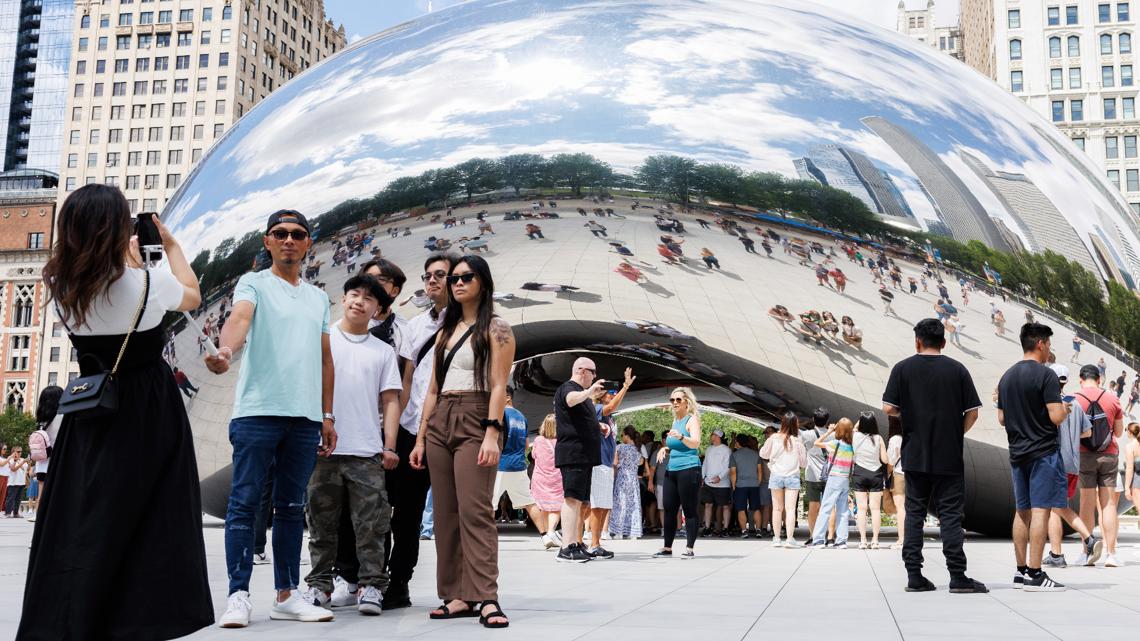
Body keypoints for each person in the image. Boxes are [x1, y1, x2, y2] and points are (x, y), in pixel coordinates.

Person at [21, 184, 212, 639]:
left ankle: (79, 614)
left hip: (91, 408)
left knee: (88, 514)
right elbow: (192, 294)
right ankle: (140, 618)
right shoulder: (147, 283)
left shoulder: (60, 288)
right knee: (154, 515)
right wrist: (170, 246)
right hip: (149, 409)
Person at [206, 209, 336, 627]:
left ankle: (286, 595)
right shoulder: (254, 283)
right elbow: (239, 319)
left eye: (297, 234)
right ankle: (238, 595)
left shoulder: (317, 297)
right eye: (280, 233)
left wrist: (327, 414)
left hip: (305, 417)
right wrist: (226, 350)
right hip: (258, 412)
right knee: (244, 505)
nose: (288, 240)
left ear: (307, 242)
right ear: (267, 241)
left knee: (292, 507)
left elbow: (325, 359)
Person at [409, 254, 514, 629]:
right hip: (441, 420)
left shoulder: (497, 328)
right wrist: (421, 438)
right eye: (453, 278)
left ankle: (486, 596)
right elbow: (432, 390)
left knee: (475, 511)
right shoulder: (445, 331)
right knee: (445, 514)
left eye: (466, 277)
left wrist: (492, 432)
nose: (457, 283)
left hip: (476, 414)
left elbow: (499, 385)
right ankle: (456, 595)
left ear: (482, 282)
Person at [299, 276, 402, 615]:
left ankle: (371, 587)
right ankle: (319, 586)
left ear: (378, 309)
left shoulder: (383, 351)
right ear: (343, 299)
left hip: (366, 451)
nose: (360, 301)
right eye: (354, 294)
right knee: (320, 524)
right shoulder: (323, 340)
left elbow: (390, 400)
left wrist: (389, 446)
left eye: (368, 298)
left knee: (372, 525)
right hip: (322, 450)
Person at [883, 318, 986, 593]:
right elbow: (973, 412)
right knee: (950, 515)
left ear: (917, 341)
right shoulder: (958, 370)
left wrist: (910, 413)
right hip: (948, 455)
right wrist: (955, 433)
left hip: (915, 454)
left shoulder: (902, 369)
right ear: (943, 342)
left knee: (914, 513)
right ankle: (958, 576)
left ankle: (914, 576)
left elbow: (888, 407)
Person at [384, 253, 455, 610]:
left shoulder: (468, 324)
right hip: (411, 427)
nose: (432, 281)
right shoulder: (414, 326)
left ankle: (448, 585)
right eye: (428, 275)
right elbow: (407, 379)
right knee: (397, 511)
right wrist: (394, 430)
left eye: (440, 274)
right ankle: (389, 580)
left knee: (434, 512)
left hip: (448, 428)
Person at [997, 322, 1069, 592]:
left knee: (1022, 511)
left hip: (1018, 453)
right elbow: (1056, 416)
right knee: (1041, 511)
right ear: (1040, 343)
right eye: (1048, 344)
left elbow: (1002, 418)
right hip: (1043, 453)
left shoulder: (1007, 376)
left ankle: (1020, 572)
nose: (1049, 349)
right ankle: (1036, 574)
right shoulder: (1046, 375)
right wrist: (1065, 409)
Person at [1042, 364, 1103, 569]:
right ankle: (1056, 553)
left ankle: (1087, 539)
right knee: (1056, 507)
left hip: (1055, 461)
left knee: (1057, 507)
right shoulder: (1074, 402)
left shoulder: (1050, 403)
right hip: (1073, 463)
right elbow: (1087, 432)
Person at [552, 357, 608, 563]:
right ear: (583, 371)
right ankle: (565, 548)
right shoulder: (568, 388)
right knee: (571, 499)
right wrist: (589, 391)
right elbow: (570, 399)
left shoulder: (584, 395)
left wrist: (598, 426)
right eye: (593, 372)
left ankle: (575, 543)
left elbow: (578, 417)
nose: (595, 376)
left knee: (580, 501)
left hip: (584, 456)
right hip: (573, 453)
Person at [1073, 364, 1125, 567]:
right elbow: (1118, 432)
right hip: (1109, 455)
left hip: (1084, 455)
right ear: (1099, 379)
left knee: (1086, 503)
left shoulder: (1074, 399)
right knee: (1108, 504)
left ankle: (1086, 552)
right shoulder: (1112, 398)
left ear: (1081, 379)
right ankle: (1111, 554)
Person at [584, 369, 635, 559]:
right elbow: (611, 407)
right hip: (597, 462)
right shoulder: (596, 409)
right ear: (601, 394)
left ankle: (595, 543)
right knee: (595, 505)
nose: (613, 395)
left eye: (615, 392)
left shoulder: (610, 419)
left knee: (604, 505)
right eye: (610, 392)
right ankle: (585, 541)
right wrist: (625, 387)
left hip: (606, 464)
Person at [490, 388, 547, 548]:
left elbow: (496, 439)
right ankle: (546, 536)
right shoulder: (522, 417)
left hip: (501, 465)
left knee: (489, 503)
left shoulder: (501, 414)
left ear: (508, 397)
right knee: (530, 503)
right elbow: (527, 445)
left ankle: (485, 537)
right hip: (519, 466)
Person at [654, 387, 704, 558]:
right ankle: (667, 547)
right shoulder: (675, 421)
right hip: (672, 469)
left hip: (689, 468)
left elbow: (695, 443)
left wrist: (681, 437)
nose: (674, 403)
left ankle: (689, 548)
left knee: (689, 510)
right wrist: (665, 448)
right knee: (669, 508)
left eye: (678, 400)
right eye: (672, 400)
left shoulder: (692, 420)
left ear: (686, 402)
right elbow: (676, 445)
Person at [760, 412, 807, 547]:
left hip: (776, 475)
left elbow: (763, 454)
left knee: (777, 509)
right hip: (792, 476)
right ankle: (790, 539)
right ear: (795, 424)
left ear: (783, 423)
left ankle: (776, 539)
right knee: (790, 509)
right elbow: (804, 463)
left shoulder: (773, 438)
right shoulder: (797, 441)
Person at [809, 419, 854, 548]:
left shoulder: (835, 444)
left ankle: (818, 540)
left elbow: (816, 443)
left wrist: (829, 431)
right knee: (843, 510)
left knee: (826, 508)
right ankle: (841, 541)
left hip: (834, 478)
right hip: (845, 479)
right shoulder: (851, 446)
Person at [851, 412, 888, 549]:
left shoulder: (855, 436)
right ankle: (875, 541)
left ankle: (863, 541)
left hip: (859, 473)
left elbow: (854, 428)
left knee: (861, 509)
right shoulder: (878, 438)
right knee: (875, 509)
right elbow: (885, 460)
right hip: (875, 474)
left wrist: (860, 419)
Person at [27, 386, 63, 523]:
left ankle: (39, 514)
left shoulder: (41, 418)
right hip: (57, 458)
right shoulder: (62, 417)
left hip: (42, 461)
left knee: (42, 489)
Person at [801, 407, 835, 546]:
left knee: (813, 506)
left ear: (813, 419)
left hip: (812, 475)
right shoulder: (833, 435)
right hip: (830, 475)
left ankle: (813, 536)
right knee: (831, 506)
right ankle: (831, 537)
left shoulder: (806, 435)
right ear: (827, 420)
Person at [530, 414, 565, 549]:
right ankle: (551, 532)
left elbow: (533, 455)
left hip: (540, 478)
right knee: (556, 507)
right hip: (556, 478)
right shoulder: (561, 441)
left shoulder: (538, 440)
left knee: (544, 507)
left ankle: (548, 536)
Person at [610, 426, 644, 539]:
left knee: (620, 504)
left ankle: (618, 532)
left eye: (622, 435)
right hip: (633, 480)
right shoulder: (638, 450)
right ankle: (633, 532)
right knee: (633, 505)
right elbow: (640, 463)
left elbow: (615, 463)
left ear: (627, 436)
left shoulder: (620, 447)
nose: (622, 437)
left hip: (622, 478)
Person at [730, 433, 764, 538]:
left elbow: (733, 472)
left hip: (740, 485)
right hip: (754, 484)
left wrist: (734, 485)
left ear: (738, 443)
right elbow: (760, 471)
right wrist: (758, 482)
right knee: (756, 508)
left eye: (736, 441)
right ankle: (758, 530)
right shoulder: (755, 454)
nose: (735, 443)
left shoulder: (734, 455)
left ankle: (744, 531)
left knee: (741, 509)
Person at [700, 429, 733, 536]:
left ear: (718, 436)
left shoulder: (727, 450)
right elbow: (705, 464)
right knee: (708, 505)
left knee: (725, 506)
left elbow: (728, 466)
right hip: (708, 482)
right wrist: (702, 477)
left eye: (712, 434)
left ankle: (725, 528)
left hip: (723, 484)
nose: (711, 436)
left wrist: (720, 477)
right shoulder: (709, 449)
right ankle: (707, 527)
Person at [885, 416, 906, 550]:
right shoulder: (910, 437)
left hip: (899, 474)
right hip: (913, 474)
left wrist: (887, 474)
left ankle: (902, 539)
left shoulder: (895, 439)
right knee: (911, 508)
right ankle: (911, 538)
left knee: (900, 508)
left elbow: (890, 460)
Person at [4, 447, 27, 517]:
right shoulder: (10, 459)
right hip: (13, 482)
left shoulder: (23, 459)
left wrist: (28, 463)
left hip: (21, 481)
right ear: (13, 452)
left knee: (18, 499)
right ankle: (8, 513)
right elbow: (13, 469)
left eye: (21, 451)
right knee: (11, 498)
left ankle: (16, 513)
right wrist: (20, 462)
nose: (20, 453)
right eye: (18, 451)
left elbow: (27, 470)